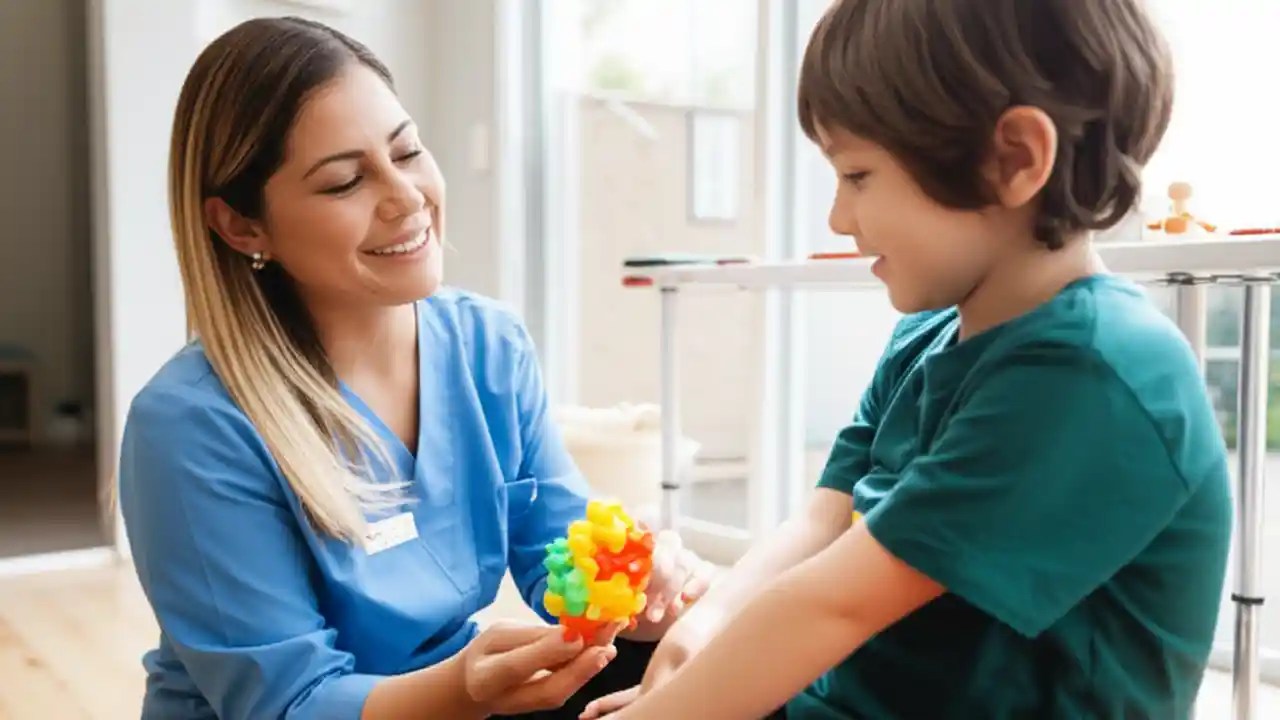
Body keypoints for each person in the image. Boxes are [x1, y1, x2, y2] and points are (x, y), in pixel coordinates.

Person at [582, 0, 1233, 718]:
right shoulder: (929, 334)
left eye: (857, 176)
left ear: (1012, 160)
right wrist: (706, 623)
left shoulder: (1096, 371)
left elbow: (835, 605)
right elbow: (822, 523)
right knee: (589, 665)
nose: (838, 217)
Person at [116, 17, 713, 720]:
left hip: (455, 697)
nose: (405, 197)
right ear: (242, 227)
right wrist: (462, 689)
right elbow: (288, 702)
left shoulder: (489, 346)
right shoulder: (192, 427)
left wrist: (636, 589)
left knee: (705, 671)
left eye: (407, 152)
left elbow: (559, 550)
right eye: (344, 182)